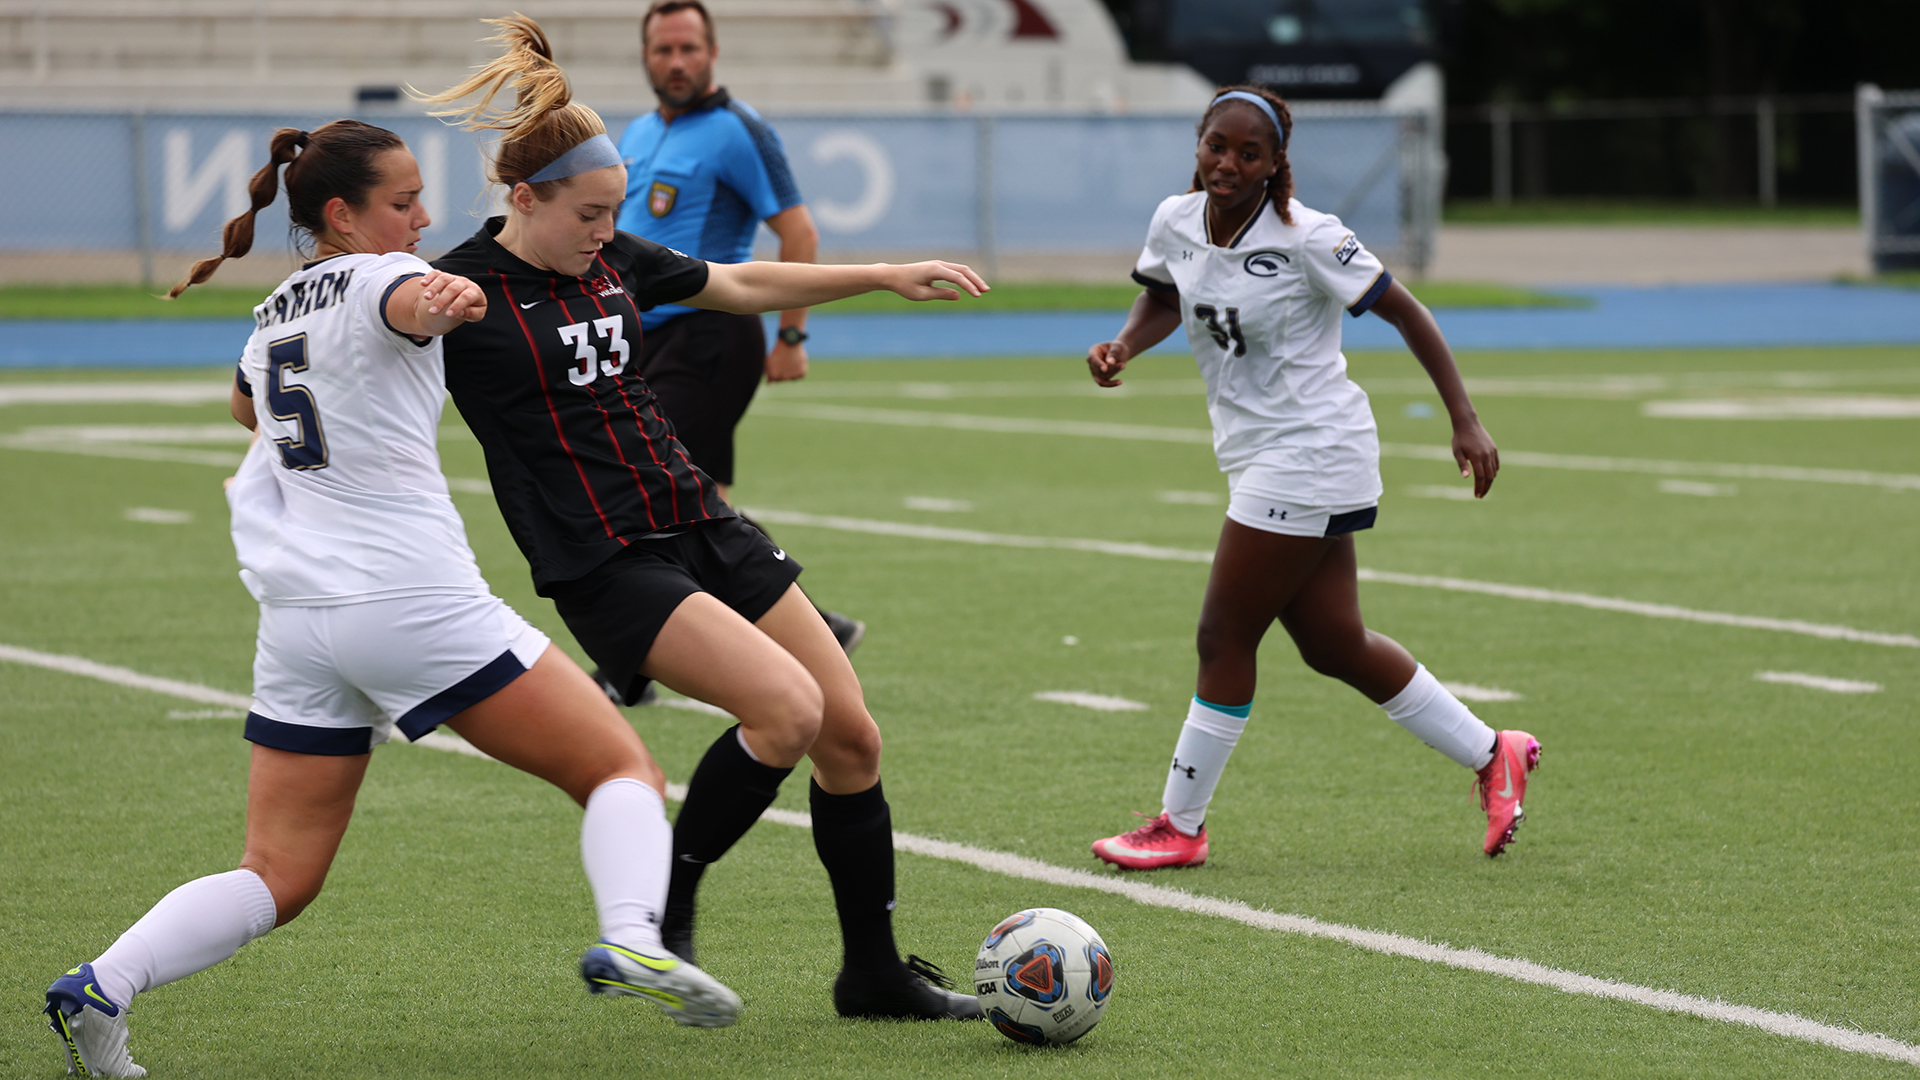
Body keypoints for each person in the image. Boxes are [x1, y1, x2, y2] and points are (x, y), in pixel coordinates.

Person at [42, 119, 741, 1079]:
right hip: (408, 599)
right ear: (342, 212)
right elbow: (415, 302)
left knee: (277, 875)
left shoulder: (277, 308)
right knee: (621, 769)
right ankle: (635, 940)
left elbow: (250, 405)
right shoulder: (386, 279)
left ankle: (104, 983)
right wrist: (443, 297)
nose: (423, 218)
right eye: (402, 202)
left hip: (300, 619)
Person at [419, 16, 986, 1020]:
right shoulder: (464, 293)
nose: (604, 234)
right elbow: (350, 340)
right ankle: (666, 914)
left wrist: (882, 272)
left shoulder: (608, 258)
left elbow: (738, 282)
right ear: (523, 199)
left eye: (613, 214)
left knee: (851, 734)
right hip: (607, 560)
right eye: (588, 215)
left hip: (698, 517)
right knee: (787, 712)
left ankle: (872, 976)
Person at [1084, 86, 1541, 870]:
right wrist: (1126, 344)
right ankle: (1492, 750)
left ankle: (1181, 825)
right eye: (1216, 146)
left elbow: (1407, 312)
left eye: (1248, 153)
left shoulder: (1309, 237)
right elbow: (1164, 294)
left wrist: (1464, 418)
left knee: (1223, 635)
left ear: (1275, 164)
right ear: (1198, 144)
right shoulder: (1175, 220)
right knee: (1333, 643)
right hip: (1260, 453)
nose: (1228, 164)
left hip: (1312, 450)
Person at [608, 0, 865, 668]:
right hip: (646, 343)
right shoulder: (636, 132)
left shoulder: (736, 129)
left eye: (689, 49)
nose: (676, 62)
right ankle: (813, 625)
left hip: (711, 337)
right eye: (663, 50)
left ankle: (624, 667)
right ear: (646, 56)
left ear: (712, 53)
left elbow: (798, 231)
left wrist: (793, 337)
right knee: (698, 501)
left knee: (649, 483)